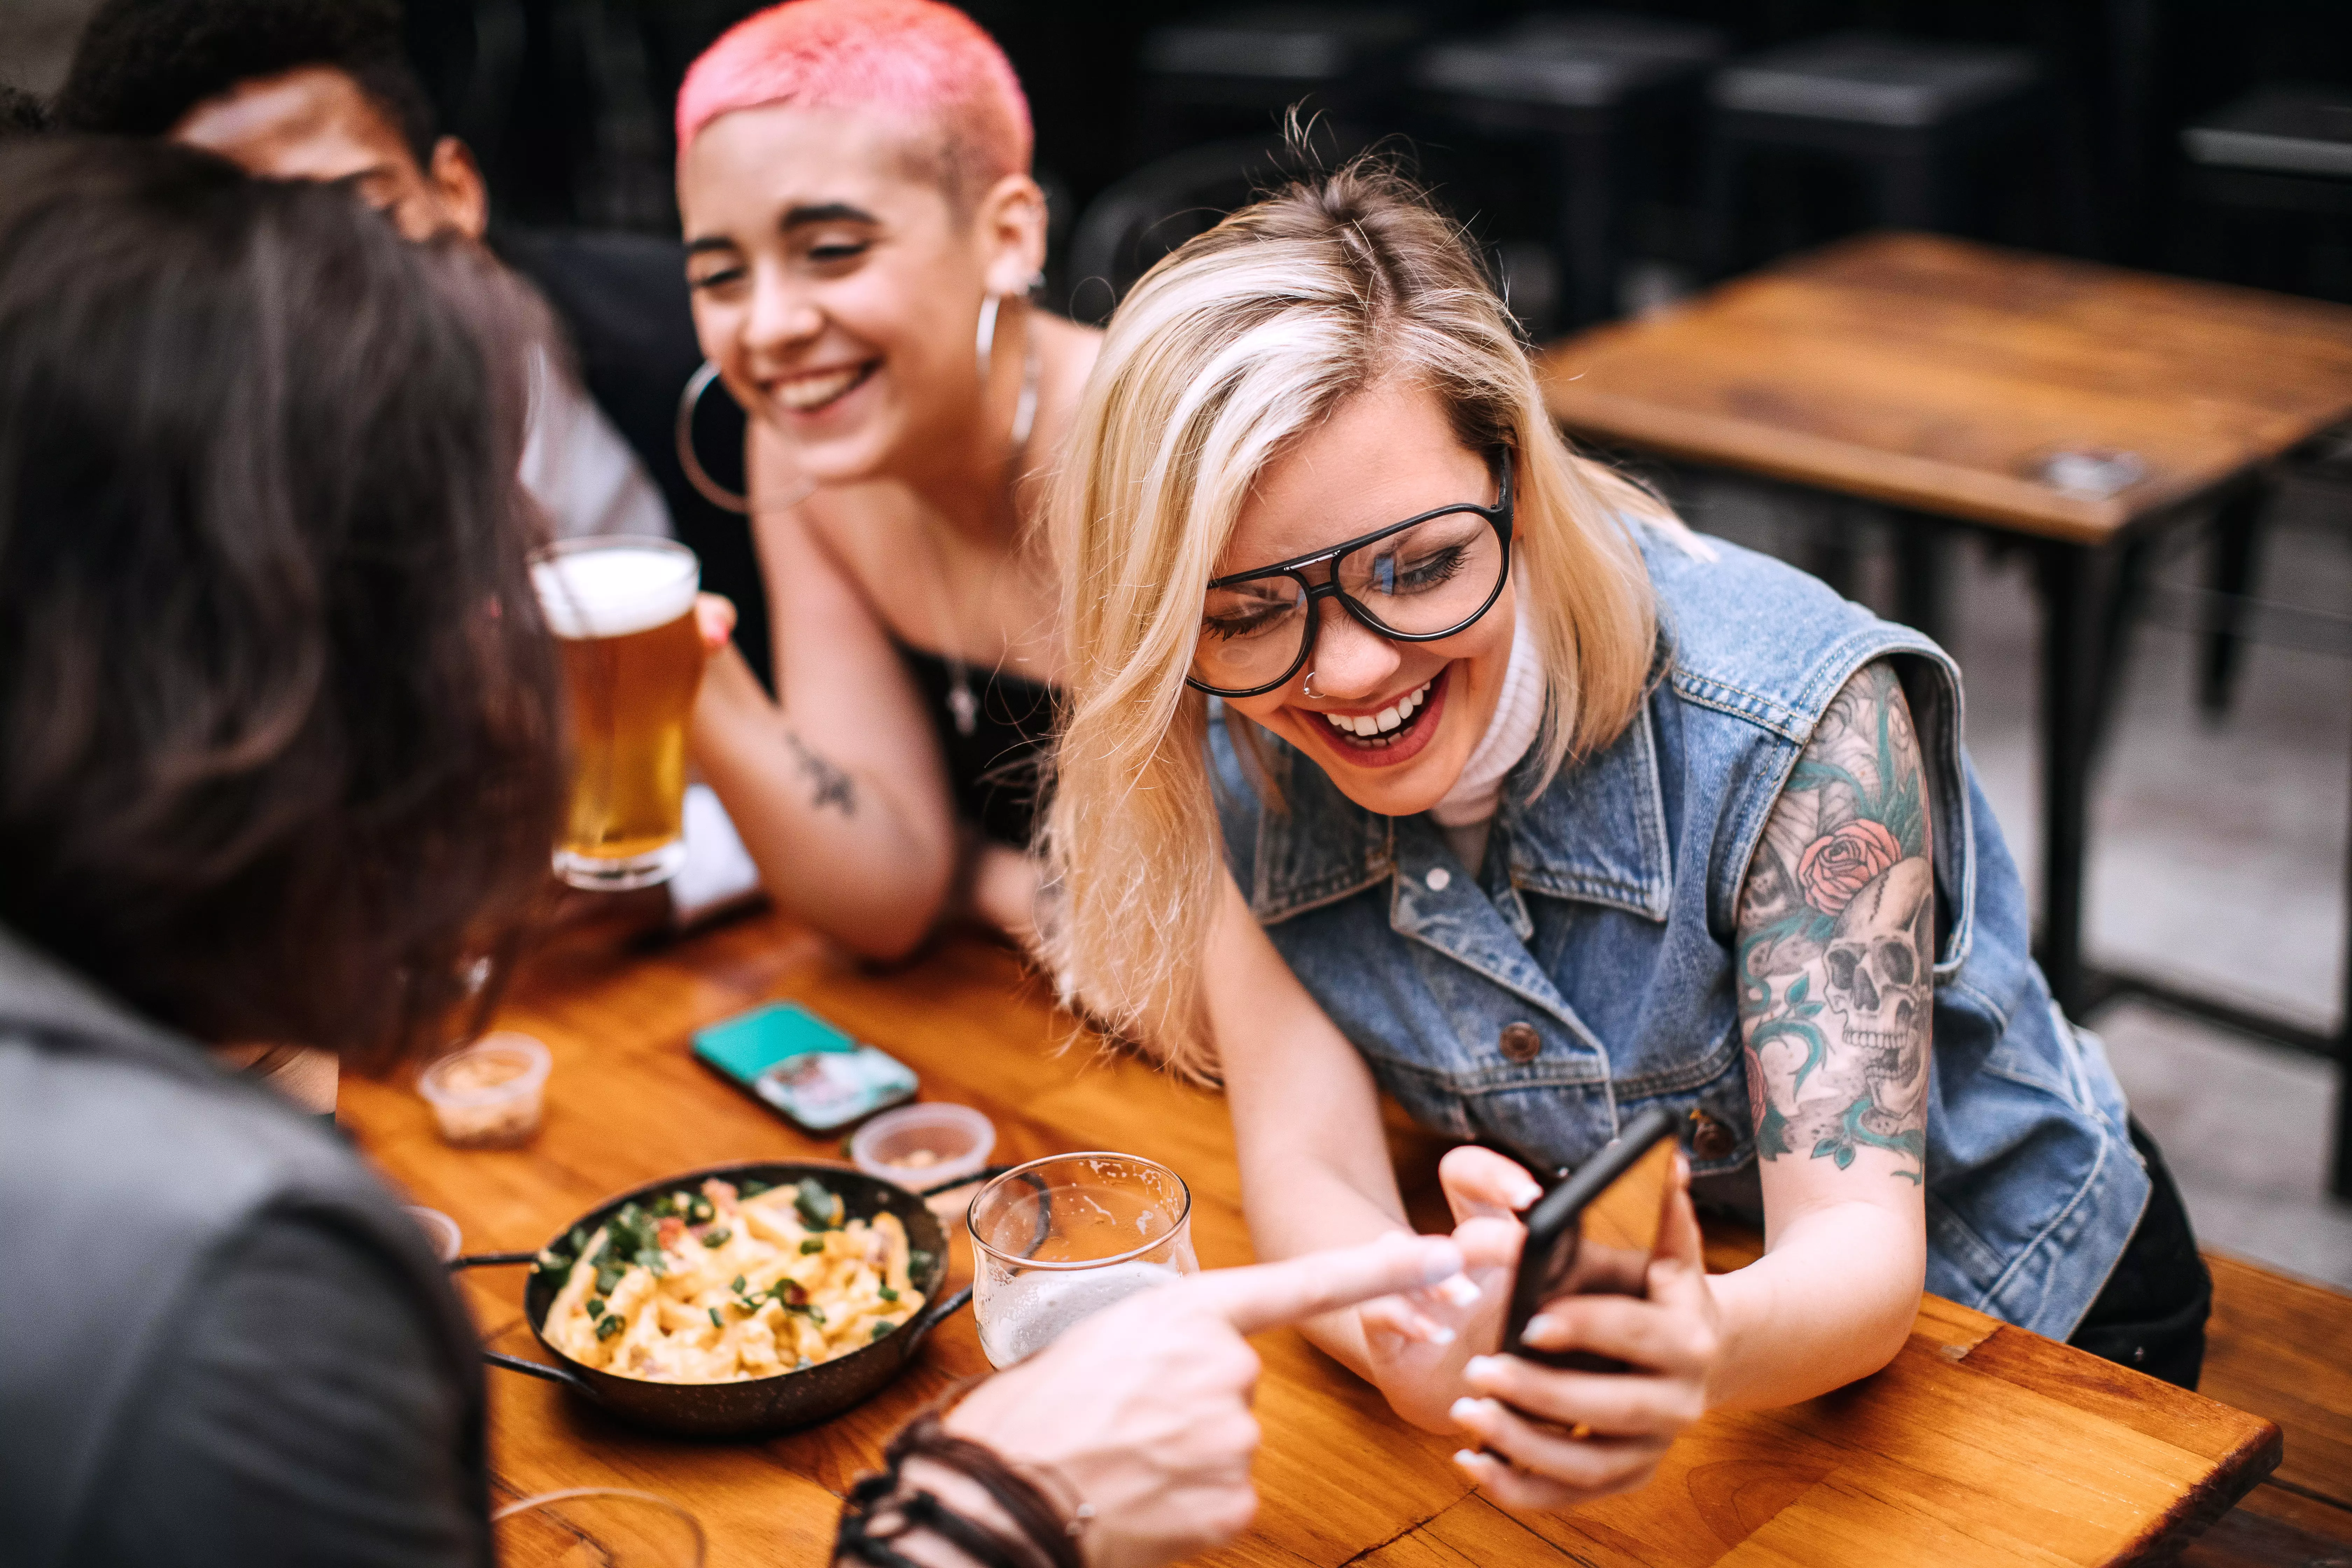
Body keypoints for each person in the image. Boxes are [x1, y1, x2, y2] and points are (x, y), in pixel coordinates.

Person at [0, 136, 1471, 1568]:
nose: (517, 654)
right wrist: (986, 1517)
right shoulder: (223, 1286)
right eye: (479, 568)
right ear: (261, 665)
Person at [1040, 161, 2212, 1511]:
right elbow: (1310, 1167)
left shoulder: (1796, 722)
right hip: (1681, 1348)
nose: (1351, 672)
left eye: (1416, 568)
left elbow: (1860, 1257)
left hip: (2023, 1328)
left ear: (1521, 488)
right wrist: (1414, 1354)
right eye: (1244, 612)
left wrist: (1690, 1346)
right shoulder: (1230, 734)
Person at [673, 0, 1097, 958]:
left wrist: (978, 876)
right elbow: (882, 898)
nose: (769, 325)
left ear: (1009, 238)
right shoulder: (797, 453)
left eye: (831, 252)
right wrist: (692, 677)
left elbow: (1286, 975)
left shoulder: (1168, 451)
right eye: (721, 276)